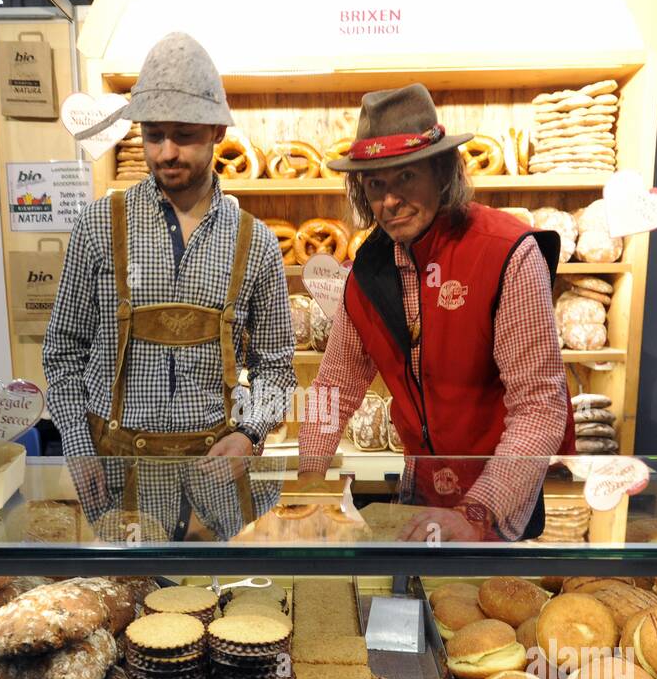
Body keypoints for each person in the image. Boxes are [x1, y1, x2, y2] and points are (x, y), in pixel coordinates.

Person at [42, 33, 295, 540]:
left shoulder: (258, 244)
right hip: (115, 480)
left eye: (184, 134)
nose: (167, 152)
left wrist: (249, 433)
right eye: (154, 135)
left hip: (217, 493)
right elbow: (62, 352)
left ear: (217, 130)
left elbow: (277, 369)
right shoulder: (98, 226)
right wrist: (76, 439)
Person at [298, 84, 575, 541]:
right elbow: (334, 385)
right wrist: (309, 482)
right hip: (420, 489)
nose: (388, 201)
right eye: (375, 183)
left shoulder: (506, 251)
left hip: (500, 500)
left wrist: (477, 513)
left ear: (442, 170)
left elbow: (540, 407)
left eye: (405, 176)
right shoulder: (368, 268)